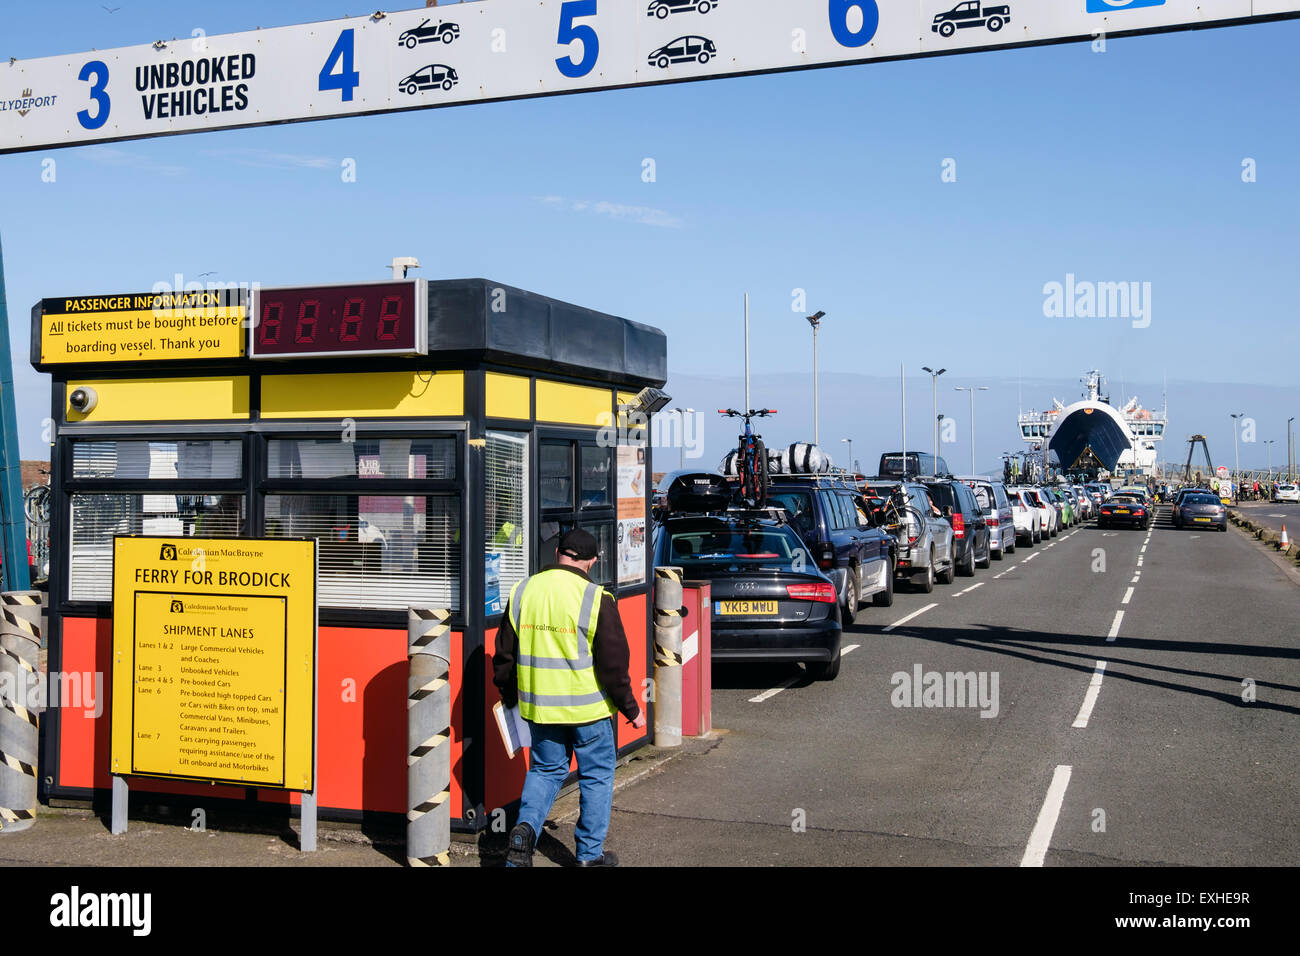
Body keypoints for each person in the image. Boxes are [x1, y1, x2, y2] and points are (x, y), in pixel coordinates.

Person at [493, 528, 645, 868]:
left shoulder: (522, 591)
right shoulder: (595, 597)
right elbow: (614, 665)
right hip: (588, 712)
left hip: (540, 710)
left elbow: (503, 656)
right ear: (591, 562)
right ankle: (589, 856)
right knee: (595, 776)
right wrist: (632, 709)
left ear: (559, 553)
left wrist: (509, 695)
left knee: (545, 772)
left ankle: (523, 836)